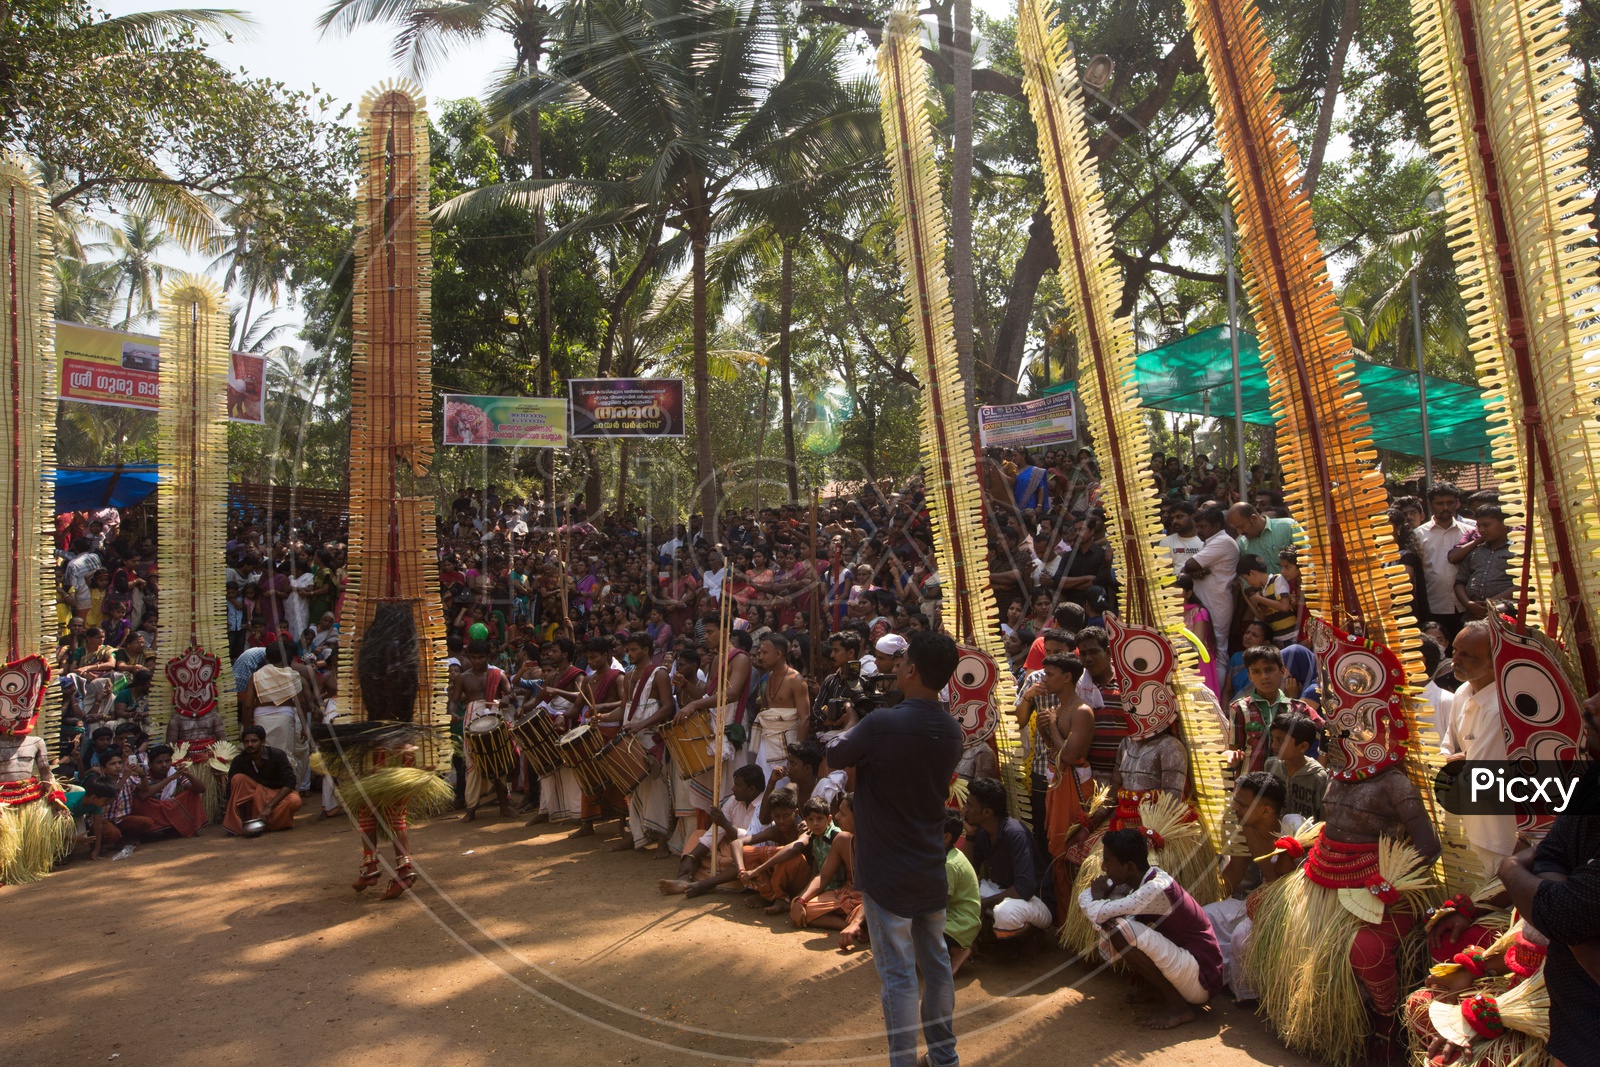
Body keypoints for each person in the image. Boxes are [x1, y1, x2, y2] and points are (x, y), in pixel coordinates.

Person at [826, 630, 964, 1067]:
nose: (898, 668)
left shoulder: (882, 723)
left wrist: (854, 721)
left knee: (899, 976)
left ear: (913, 670)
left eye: (903, 662)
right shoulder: (951, 728)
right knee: (937, 964)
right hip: (928, 864)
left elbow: (835, 756)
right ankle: (944, 1057)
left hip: (886, 868)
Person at [1496, 691, 1600, 1067]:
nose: (1588, 703)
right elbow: (1553, 852)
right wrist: (1562, 910)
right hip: (1575, 1024)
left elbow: (1562, 912)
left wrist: (1509, 869)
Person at [1079, 828, 1225, 1029]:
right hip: (1191, 970)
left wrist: (1098, 896)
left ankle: (1179, 1008)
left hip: (1201, 979)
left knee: (1119, 930)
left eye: (1108, 861)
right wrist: (1098, 899)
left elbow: (1097, 912)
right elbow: (1085, 899)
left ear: (1129, 866)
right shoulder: (1139, 879)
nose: (1104, 868)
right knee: (1117, 924)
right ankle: (1159, 991)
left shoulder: (1155, 888)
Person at [1201, 772, 1304, 1005]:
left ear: (1266, 811)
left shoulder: (1295, 827)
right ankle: (1221, 978)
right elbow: (1235, 873)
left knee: (1242, 937)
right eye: (1236, 801)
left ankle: (1249, 995)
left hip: (1289, 909)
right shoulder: (1245, 827)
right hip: (1258, 900)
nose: (1235, 807)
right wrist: (1198, 900)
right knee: (1206, 917)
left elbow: (1294, 883)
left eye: (1242, 804)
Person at [1438, 620, 1518, 875]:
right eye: (1455, 651)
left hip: (1496, 832)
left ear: (1496, 659)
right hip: (1466, 825)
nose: (1455, 660)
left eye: (1467, 655)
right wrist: (1456, 760)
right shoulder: (1462, 692)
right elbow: (1447, 748)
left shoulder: (1500, 709)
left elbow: (1480, 777)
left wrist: (1460, 762)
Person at [961, 776, 1052, 941]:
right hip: (1002, 893)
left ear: (987, 812)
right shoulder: (982, 831)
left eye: (970, 804)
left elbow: (1025, 888)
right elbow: (968, 872)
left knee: (1004, 913)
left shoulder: (1015, 833)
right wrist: (970, 835)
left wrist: (986, 904)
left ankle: (1031, 936)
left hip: (1034, 901)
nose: (965, 809)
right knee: (960, 893)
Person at [657, 764, 766, 896]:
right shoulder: (733, 800)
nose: (733, 788)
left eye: (737, 785)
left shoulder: (764, 807)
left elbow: (752, 839)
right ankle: (683, 880)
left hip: (744, 853)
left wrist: (725, 823)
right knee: (698, 835)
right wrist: (691, 857)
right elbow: (714, 833)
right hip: (727, 848)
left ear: (751, 789)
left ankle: (704, 884)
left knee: (746, 855)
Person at [1227, 644, 1320, 775]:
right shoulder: (1239, 708)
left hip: (1285, 789)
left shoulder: (1298, 708)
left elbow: (1327, 734)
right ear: (1249, 676)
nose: (1264, 676)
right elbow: (1233, 749)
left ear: (1282, 671)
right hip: (1249, 788)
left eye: (1269, 670)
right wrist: (1232, 757)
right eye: (1256, 672)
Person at [454, 639, 514, 822]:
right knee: (473, 762)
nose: (478, 661)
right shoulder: (462, 677)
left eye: (481, 657)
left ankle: (504, 806)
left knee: (499, 759)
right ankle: (471, 808)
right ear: (469, 657)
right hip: (472, 719)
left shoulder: (498, 674)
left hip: (494, 719)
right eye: (474, 657)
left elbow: (511, 693)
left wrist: (507, 698)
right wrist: (452, 713)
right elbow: (453, 700)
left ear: (488, 657)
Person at [792, 793, 862, 934]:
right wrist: (801, 900)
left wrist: (857, 920)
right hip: (847, 894)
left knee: (877, 913)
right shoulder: (842, 840)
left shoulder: (878, 843)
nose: (836, 817)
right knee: (805, 908)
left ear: (858, 817)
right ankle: (848, 926)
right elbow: (823, 876)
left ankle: (857, 923)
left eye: (842, 813)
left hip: (870, 901)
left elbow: (875, 894)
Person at [1412, 481, 1475, 640]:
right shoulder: (1418, 535)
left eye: (1450, 503)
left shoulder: (1470, 532)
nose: (1445, 507)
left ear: (1457, 503)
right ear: (1430, 504)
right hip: (1434, 606)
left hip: (1467, 606)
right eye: (1440, 503)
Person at [1074, 626, 1131, 786]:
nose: (1088, 658)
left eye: (1093, 652)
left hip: (1125, 777)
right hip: (1089, 777)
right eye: (1083, 654)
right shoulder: (1077, 688)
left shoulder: (1126, 686)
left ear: (1108, 652)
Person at [222, 725, 302, 834]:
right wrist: (229, 813)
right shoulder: (239, 760)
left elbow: (290, 782)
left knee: (294, 801)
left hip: (276, 795)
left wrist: (269, 806)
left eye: (254, 741)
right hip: (254, 796)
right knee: (237, 779)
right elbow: (230, 789)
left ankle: (271, 822)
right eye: (246, 742)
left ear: (263, 742)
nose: (250, 745)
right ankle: (237, 823)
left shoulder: (277, 755)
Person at [1183, 506, 1239, 663]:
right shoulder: (1211, 542)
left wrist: (1192, 569)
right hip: (1210, 600)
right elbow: (1188, 569)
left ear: (1217, 526)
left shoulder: (1223, 541)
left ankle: (1216, 687)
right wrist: (1193, 571)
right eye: (1197, 526)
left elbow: (1190, 565)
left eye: (1203, 526)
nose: (1199, 531)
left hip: (1217, 602)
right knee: (1207, 648)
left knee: (1218, 651)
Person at [750, 632, 808, 776]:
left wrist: (796, 754)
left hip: (786, 746)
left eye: (764, 652)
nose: (760, 657)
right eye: (759, 652)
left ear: (778, 654)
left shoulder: (795, 679)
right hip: (767, 740)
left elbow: (805, 718)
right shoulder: (769, 676)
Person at [1449, 506, 1513, 620]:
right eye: (1479, 526)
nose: (1482, 530)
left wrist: (1491, 603)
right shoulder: (1475, 551)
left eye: (1486, 525)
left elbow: (1524, 585)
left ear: (1504, 524)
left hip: (1505, 615)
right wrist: (1468, 604)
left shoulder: (1517, 551)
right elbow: (1460, 582)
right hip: (1473, 614)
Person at [130, 743, 207, 837]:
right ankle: (158, 829)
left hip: (167, 808)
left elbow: (202, 789)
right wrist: (170, 778)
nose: (164, 765)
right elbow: (143, 796)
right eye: (159, 762)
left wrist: (188, 775)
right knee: (139, 803)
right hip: (153, 810)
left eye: (167, 761)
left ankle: (173, 827)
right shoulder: (144, 775)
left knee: (191, 793)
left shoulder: (173, 771)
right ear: (150, 764)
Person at [1264, 714, 1327, 821]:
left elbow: (1323, 819)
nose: (1273, 745)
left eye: (1280, 740)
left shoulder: (1318, 778)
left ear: (1303, 746)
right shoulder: (1271, 766)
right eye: (1273, 738)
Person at [1228, 502, 1303, 575]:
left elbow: (1307, 554)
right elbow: (1246, 577)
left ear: (1254, 518)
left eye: (1241, 527)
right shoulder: (1242, 545)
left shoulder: (1288, 526)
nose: (1239, 532)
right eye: (1236, 528)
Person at [1157, 501, 1203, 576]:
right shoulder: (1166, 541)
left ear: (1192, 516)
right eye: (1172, 519)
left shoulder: (1205, 539)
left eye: (1179, 517)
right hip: (1177, 583)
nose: (1175, 521)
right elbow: (1165, 571)